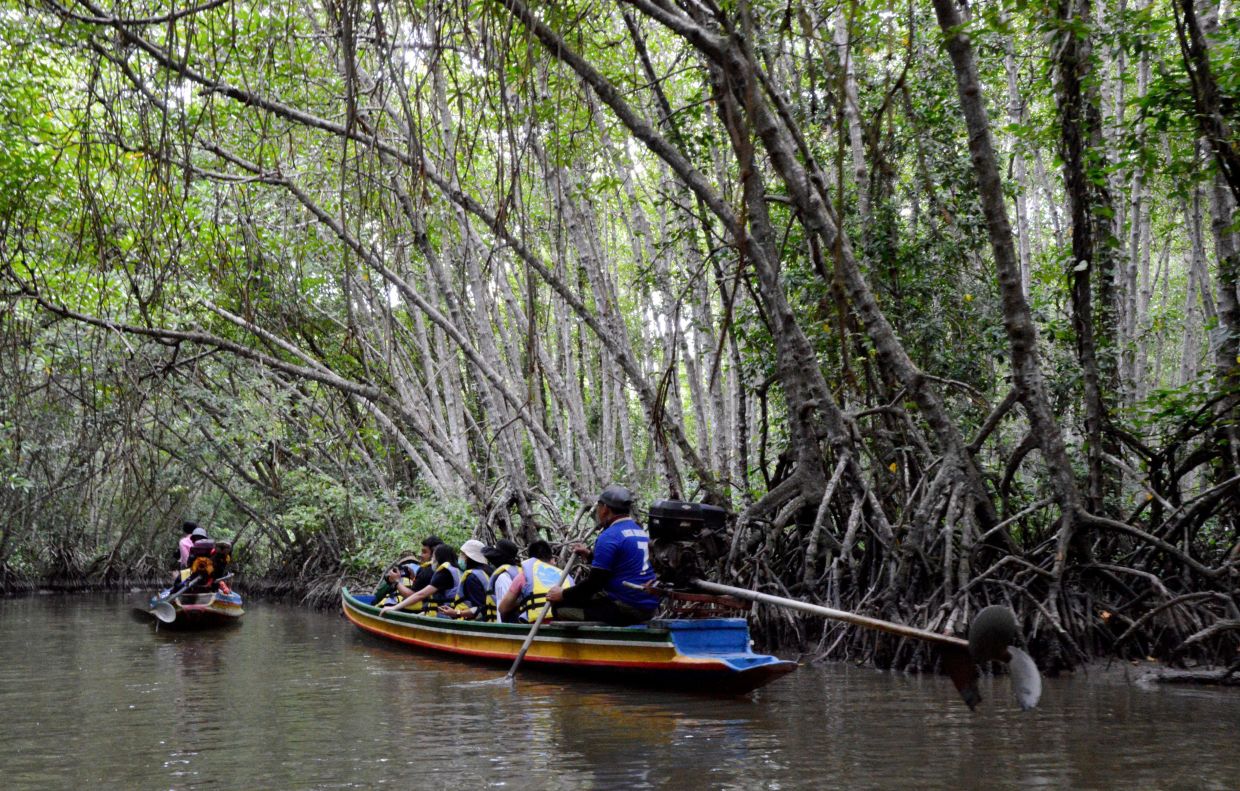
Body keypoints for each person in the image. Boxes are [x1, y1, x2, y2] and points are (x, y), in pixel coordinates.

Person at [547, 484, 659, 625]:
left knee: (560, 607)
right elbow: (621, 563)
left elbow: (594, 584)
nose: (598, 512)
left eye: (598, 507)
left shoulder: (609, 536)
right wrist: (589, 555)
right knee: (581, 597)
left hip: (626, 607)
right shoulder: (639, 531)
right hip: (648, 606)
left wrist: (562, 594)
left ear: (605, 508)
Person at [498, 539, 575, 623]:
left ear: (530, 559)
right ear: (551, 559)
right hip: (567, 624)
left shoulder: (523, 576)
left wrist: (523, 602)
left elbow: (502, 608)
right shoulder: (566, 576)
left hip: (538, 625)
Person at [381, 544, 461, 616]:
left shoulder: (445, 572)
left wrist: (394, 608)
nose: (432, 560)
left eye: (433, 557)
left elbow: (420, 595)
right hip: (443, 611)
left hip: (445, 615)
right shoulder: (454, 569)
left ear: (439, 558)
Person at [442, 539, 492, 620]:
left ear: (469, 557)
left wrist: (456, 613)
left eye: (462, 554)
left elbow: (479, 609)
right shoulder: (488, 571)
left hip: (475, 623)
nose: (460, 557)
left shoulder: (472, 577)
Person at [483, 539, 521, 622]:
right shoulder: (518, 571)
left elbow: (502, 609)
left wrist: (501, 627)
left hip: (509, 625)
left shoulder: (503, 577)